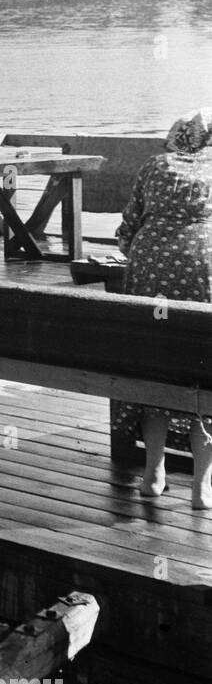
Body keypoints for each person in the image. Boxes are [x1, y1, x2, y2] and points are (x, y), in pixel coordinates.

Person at [113, 109, 212, 508]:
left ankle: (154, 473)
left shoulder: (155, 165)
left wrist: (132, 245)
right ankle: (202, 487)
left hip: (151, 271)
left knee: (155, 362)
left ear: (174, 138)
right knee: (204, 368)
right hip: (205, 269)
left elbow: (128, 227)